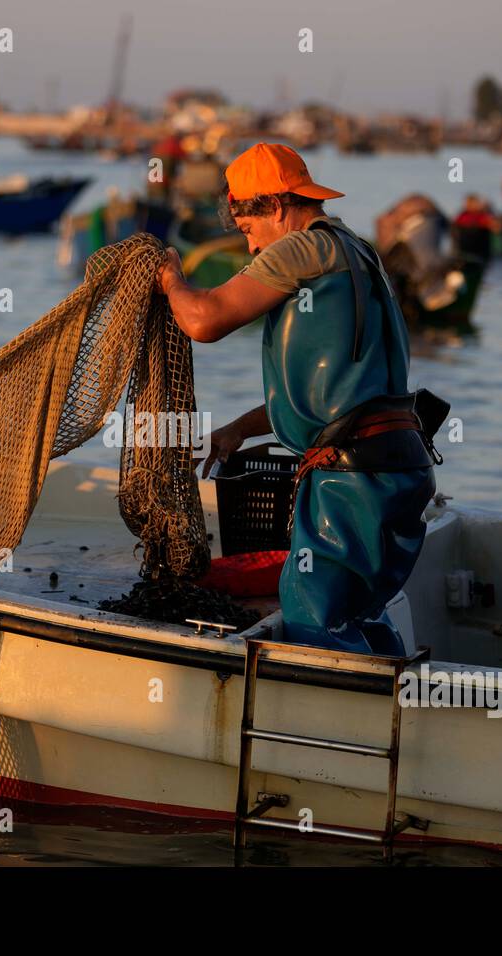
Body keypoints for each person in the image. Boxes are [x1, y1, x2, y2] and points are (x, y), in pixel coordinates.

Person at [156, 143, 438, 655]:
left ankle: (342, 722)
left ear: (277, 207)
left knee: (311, 615)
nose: (250, 250)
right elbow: (340, 395)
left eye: (247, 231)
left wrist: (171, 277)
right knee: (358, 613)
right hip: (400, 467)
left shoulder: (302, 249)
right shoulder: (356, 250)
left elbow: (202, 320)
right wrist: (240, 428)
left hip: (352, 481)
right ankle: (394, 715)